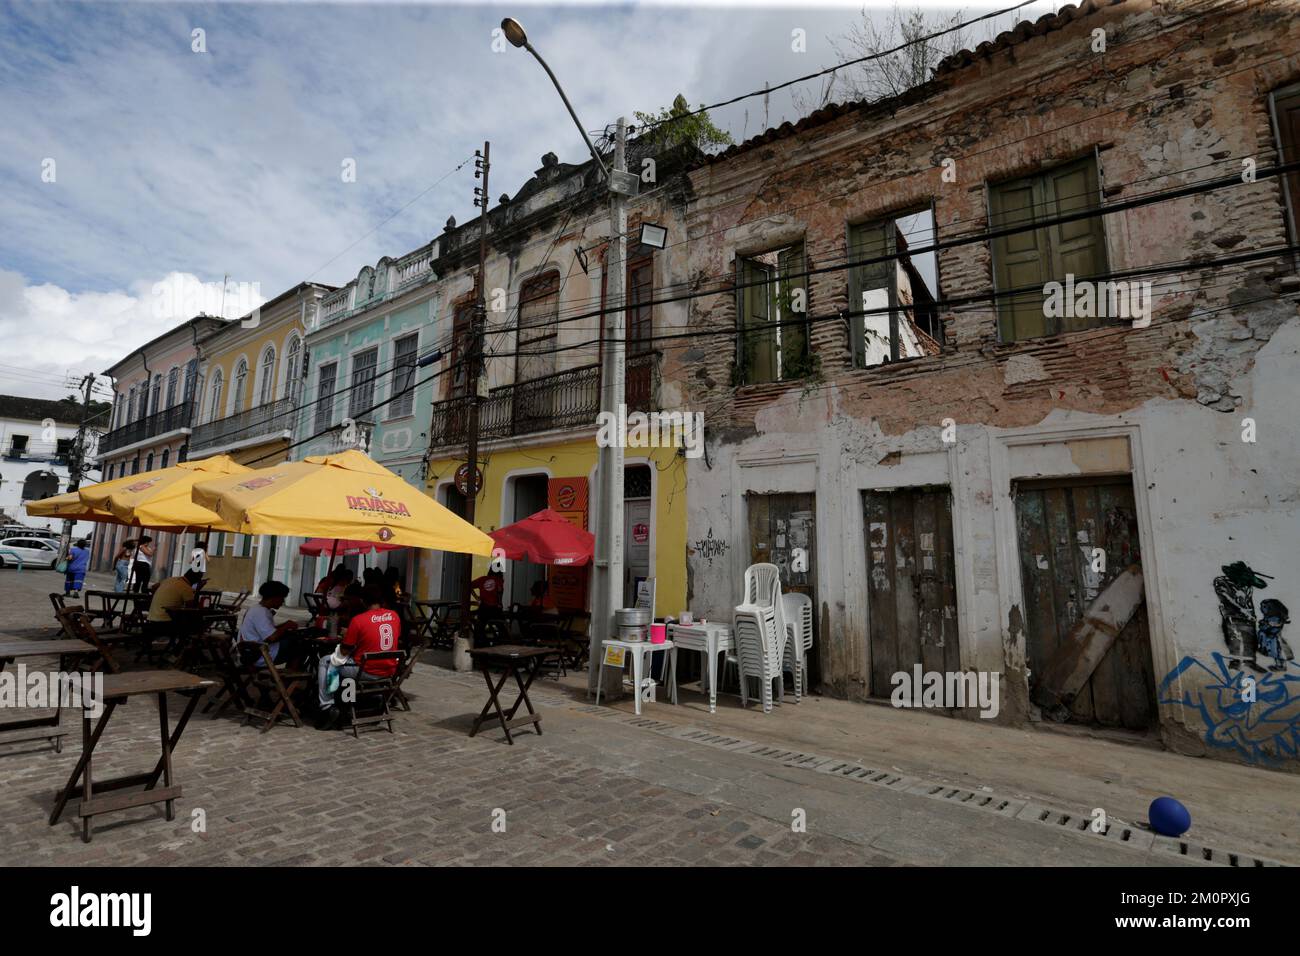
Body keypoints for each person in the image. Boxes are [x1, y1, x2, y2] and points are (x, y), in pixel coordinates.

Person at [316, 585, 400, 730]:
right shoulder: (394, 616)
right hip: (388, 670)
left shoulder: (359, 620)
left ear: (362, 601)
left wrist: (349, 635)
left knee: (326, 661)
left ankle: (327, 706)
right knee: (341, 663)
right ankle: (356, 699)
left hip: (366, 671)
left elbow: (344, 651)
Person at [238, 580, 300, 666]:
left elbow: (268, 630)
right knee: (300, 647)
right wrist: (286, 626)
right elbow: (271, 638)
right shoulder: (261, 612)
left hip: (253, 650)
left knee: (293, 641)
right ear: (275, 597)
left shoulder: (256, 608)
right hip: (260, 654)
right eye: (282, 598)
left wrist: (284, 625)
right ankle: (292, 675)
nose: (282, 602)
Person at [145, 569, 204, 655]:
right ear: (195, 581)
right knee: (193, 626)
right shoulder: (186, 588)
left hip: (151, 619)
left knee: (186, 624)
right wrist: (198, 590)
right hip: (166, 623)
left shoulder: (170, 579)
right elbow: (191, 608)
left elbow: (153, 587)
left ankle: (178, 649)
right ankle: (178, 651)